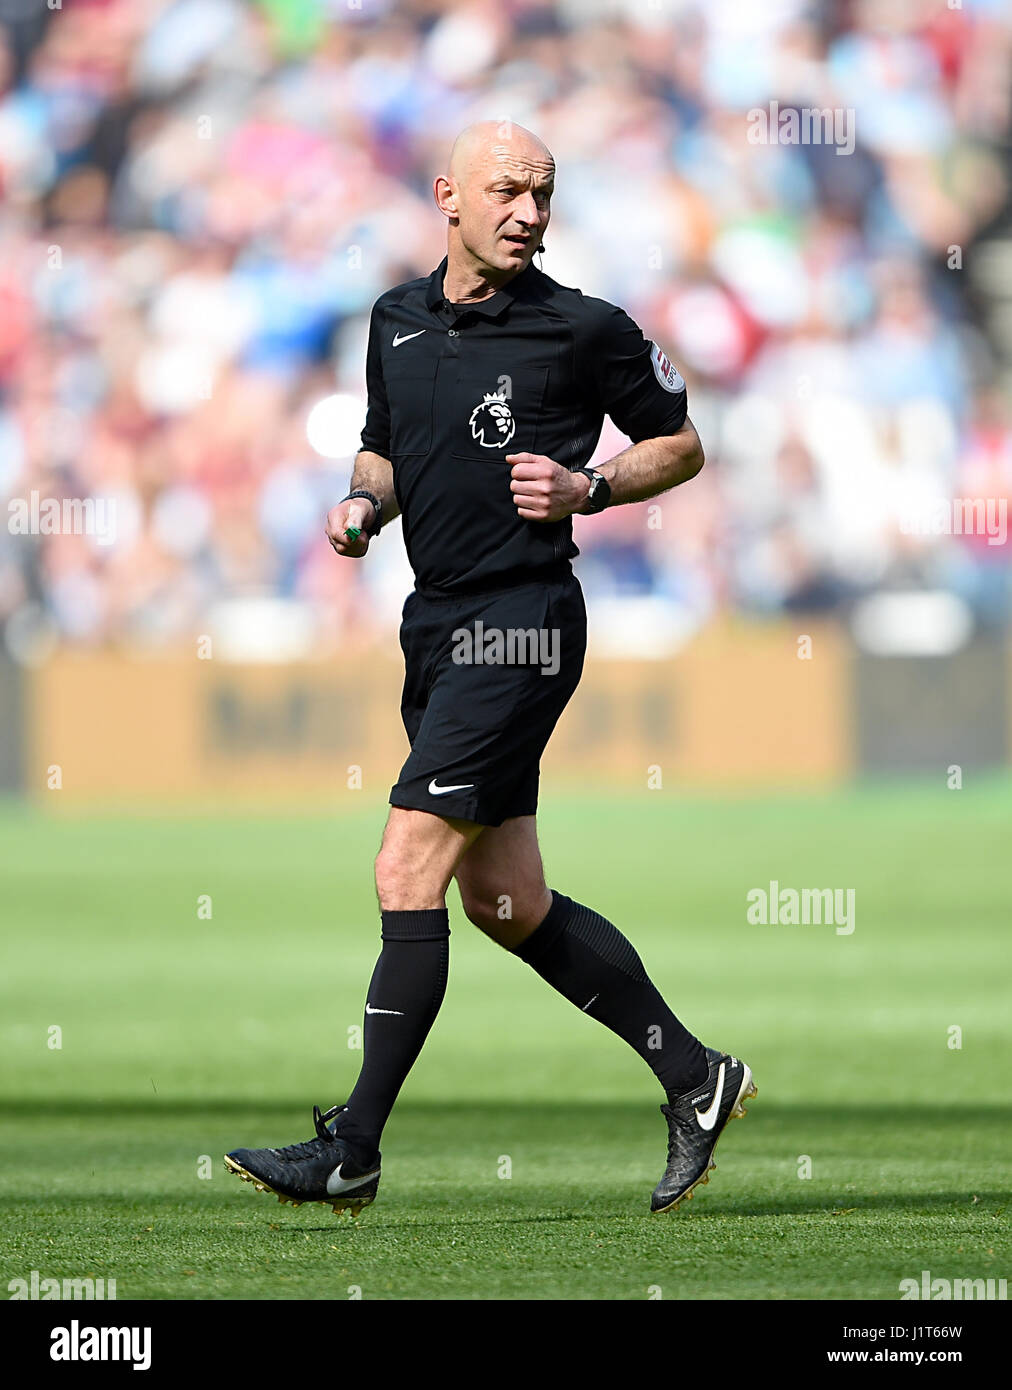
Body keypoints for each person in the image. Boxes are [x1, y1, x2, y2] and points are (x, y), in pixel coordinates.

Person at [225, 121, 755, 1218]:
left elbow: (683, 443)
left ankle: (353, 1151)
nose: (527, 211)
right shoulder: (395, 319)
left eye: (542, 192)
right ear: (447, 196)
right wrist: (364, 501)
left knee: (402, 869)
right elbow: (384, 443)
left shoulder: (584, 327)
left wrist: (591, 489)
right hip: (434, 625)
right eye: (506, 189)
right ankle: (696, 1077)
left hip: (521, 626)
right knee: (507, 902)